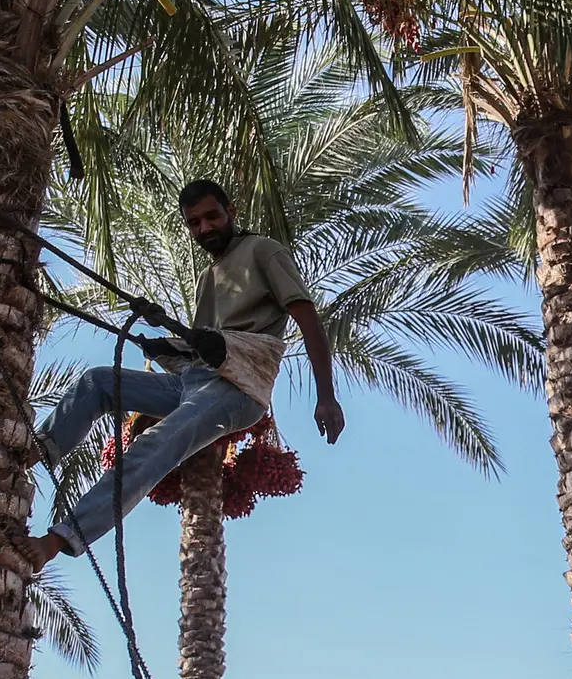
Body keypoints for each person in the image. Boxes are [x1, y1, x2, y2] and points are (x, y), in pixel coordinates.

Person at [23, 178, 342, 567]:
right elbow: (205, 348)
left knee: (154, 444)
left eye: (213, 216)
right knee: (99, 382)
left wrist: (326, 396)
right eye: (194, 222)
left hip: (237, 389)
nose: (205, 228)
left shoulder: (263, 251)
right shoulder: (209, 276)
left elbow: (307, 320)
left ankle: (58, 540)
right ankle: (30, 457)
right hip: (194, 382)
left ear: (232, 213)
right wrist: (164, 341)